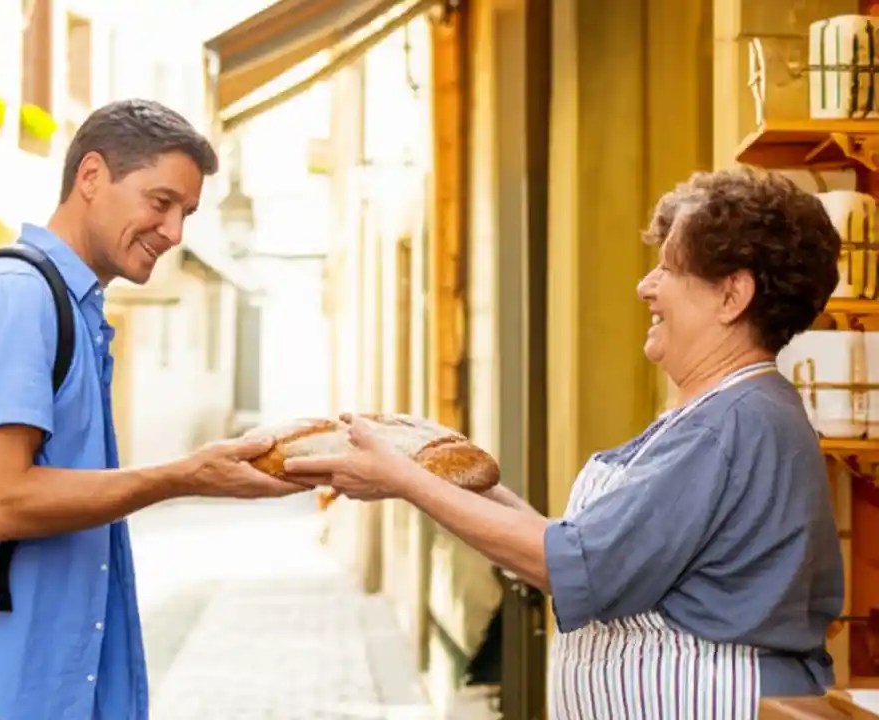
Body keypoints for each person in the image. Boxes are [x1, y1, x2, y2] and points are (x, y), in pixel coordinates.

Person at [285, 167, 846, 717]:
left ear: (732, 296)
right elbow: (575, 546)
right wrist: (431, 467)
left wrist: (404, 481)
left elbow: (572, 566)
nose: (645, 287)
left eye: (667, 270)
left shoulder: (729, 423)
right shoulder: (723, 412)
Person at [0, 99, 305, 720]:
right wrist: (183, 477)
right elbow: (2, 501)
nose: (175, 233)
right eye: (161, 202)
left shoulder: (72, 309)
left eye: (186, 213)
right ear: (90, 176)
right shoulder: (13, 299)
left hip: (34, 686)